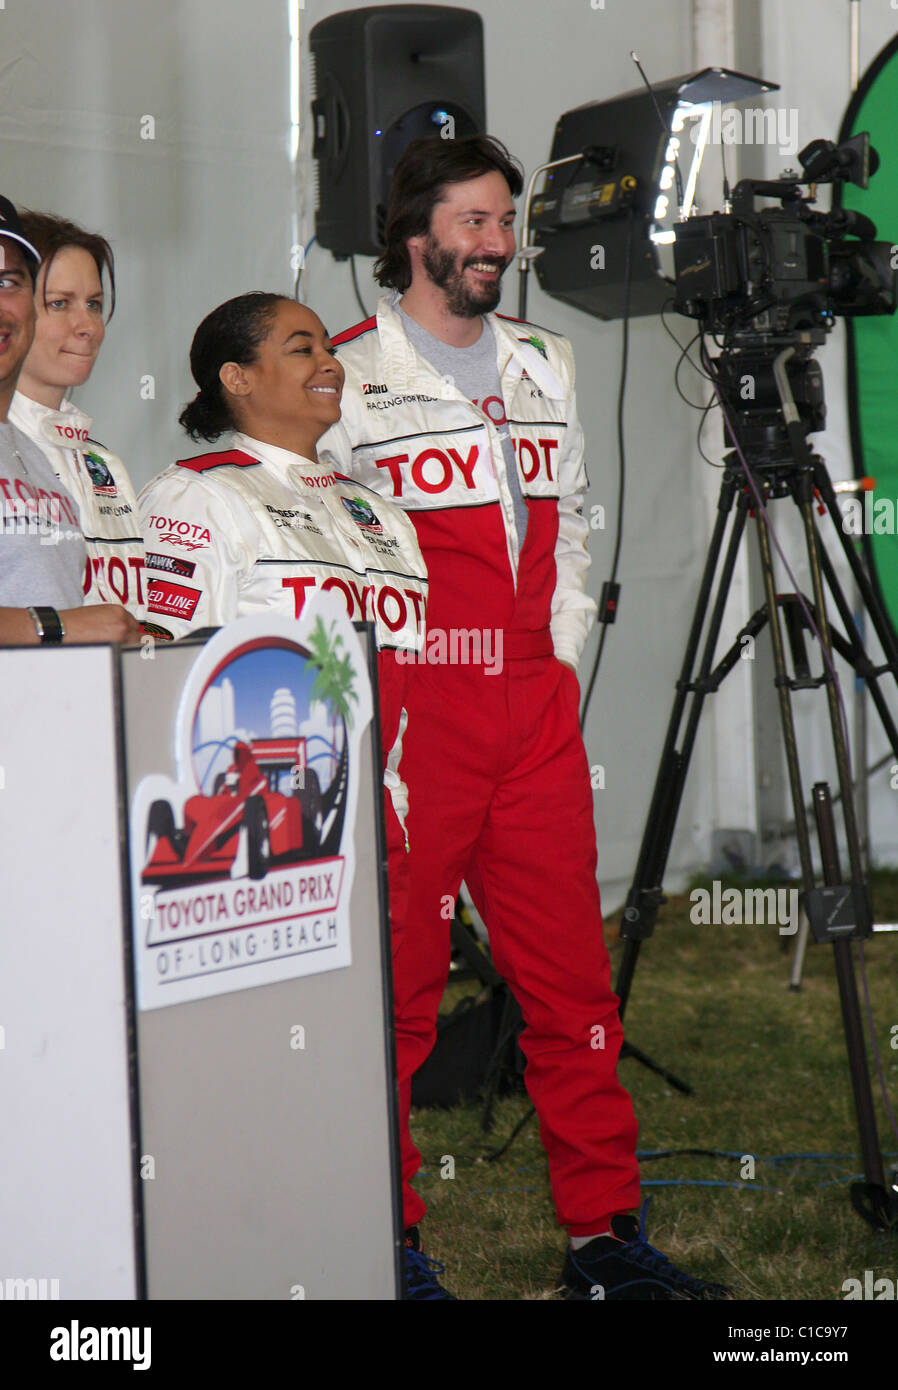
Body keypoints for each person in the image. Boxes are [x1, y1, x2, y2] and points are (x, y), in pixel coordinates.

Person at [320, 135, 728, 1300]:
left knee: (572, 990)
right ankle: (381, 1242)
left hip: (532, 710)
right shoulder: (345, 373)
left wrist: (550, 656)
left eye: (506, 222)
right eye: (474, 222)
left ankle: (604, 1238)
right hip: (416, 719)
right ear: (417, 236)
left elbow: (579, 521)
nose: (497, 243)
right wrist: (392, 693)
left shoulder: (548, 358)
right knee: (394, 997)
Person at [137, 292, 428, 935]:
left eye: (329, 347)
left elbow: (400, 699)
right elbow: (165, 683)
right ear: (236, 377)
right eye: (303, 349)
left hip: (376, 817)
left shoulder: (383, 514)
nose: (331, 363)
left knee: (388, 1024)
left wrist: (394, 811)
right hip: (256, 834)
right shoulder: (197, 495)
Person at [0, 194, 138, 647]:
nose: (89, 326)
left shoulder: (99, 461)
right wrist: (55, 628)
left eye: (94, 304)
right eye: (60, 303)